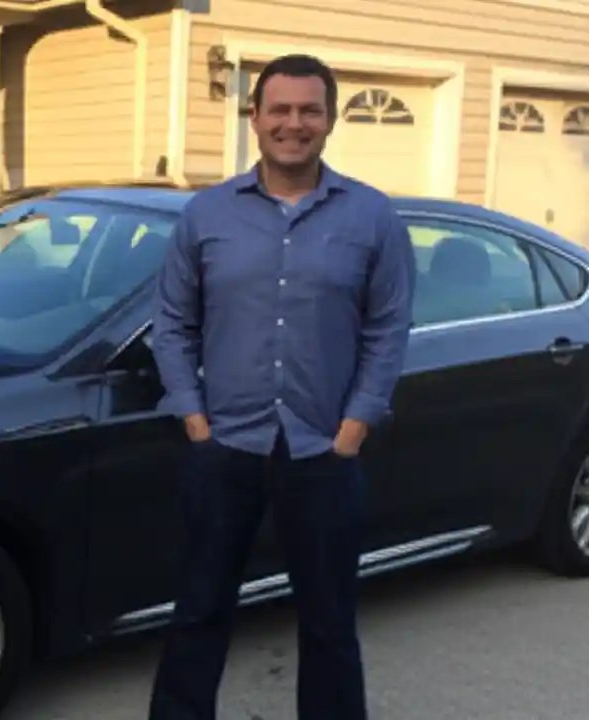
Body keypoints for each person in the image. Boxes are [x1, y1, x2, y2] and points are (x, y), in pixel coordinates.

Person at [146, 54, 417, 720]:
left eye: (309, 110)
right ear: (255, 117)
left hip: (323, 452)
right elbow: (172, 324)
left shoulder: (372, 217)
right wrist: (194, 423)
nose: (293, 123)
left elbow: (387, 329)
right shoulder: (206, 215)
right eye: (280, 110)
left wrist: (353, 429)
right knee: (199, 612)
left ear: (329, 120)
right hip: (224, 451)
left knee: (328, 624)